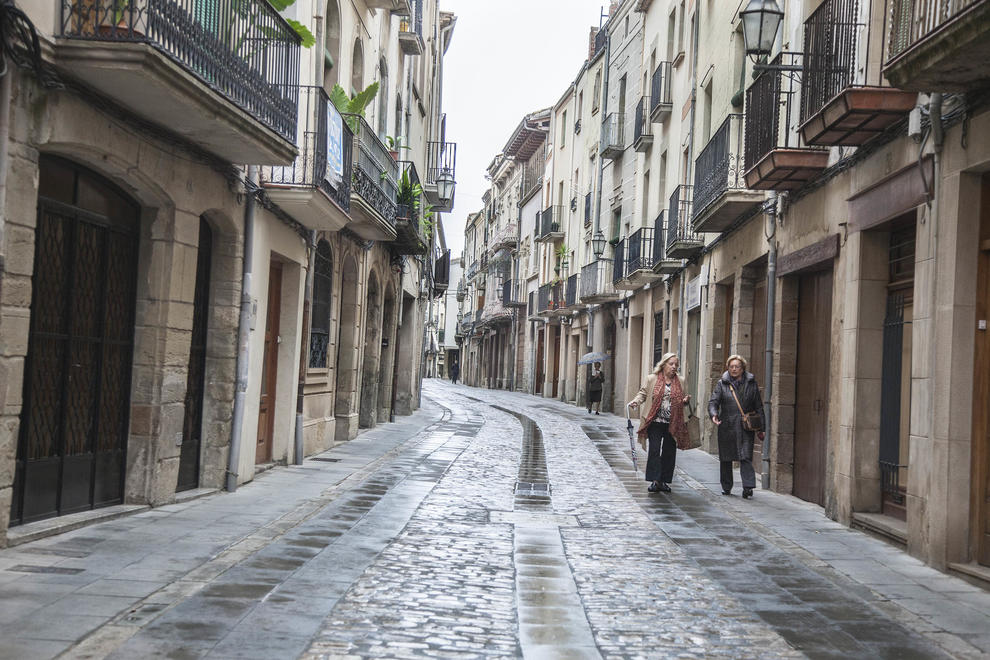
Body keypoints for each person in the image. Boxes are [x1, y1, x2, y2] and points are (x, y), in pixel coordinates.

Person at [628, 352, 690, 493]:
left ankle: (664, 481)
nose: (674, 367)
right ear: (663, 364)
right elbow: (643, 393)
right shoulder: (652, 378)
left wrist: (685, 401)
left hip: (673, 422)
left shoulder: (681, 380)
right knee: (654, 451)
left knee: (669, 452)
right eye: (671, 364)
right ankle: (655, 480)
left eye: (676, 364)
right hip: (655, 421)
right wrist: (635, 402)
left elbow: (683, 399)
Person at [708, 354, 766, 499]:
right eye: (731, 366)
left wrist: (761, 428)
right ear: (728, 368)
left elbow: (758, 406)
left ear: (742, 368)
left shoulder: (751, 383)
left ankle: (748, 487)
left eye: (737, 367)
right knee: (726, 457)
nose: (734, 369)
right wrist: (714, 414)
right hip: (726, 424)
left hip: (745, 425)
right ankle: (726, 487)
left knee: (745, 456)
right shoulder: (722, 384)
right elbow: (713, 401)